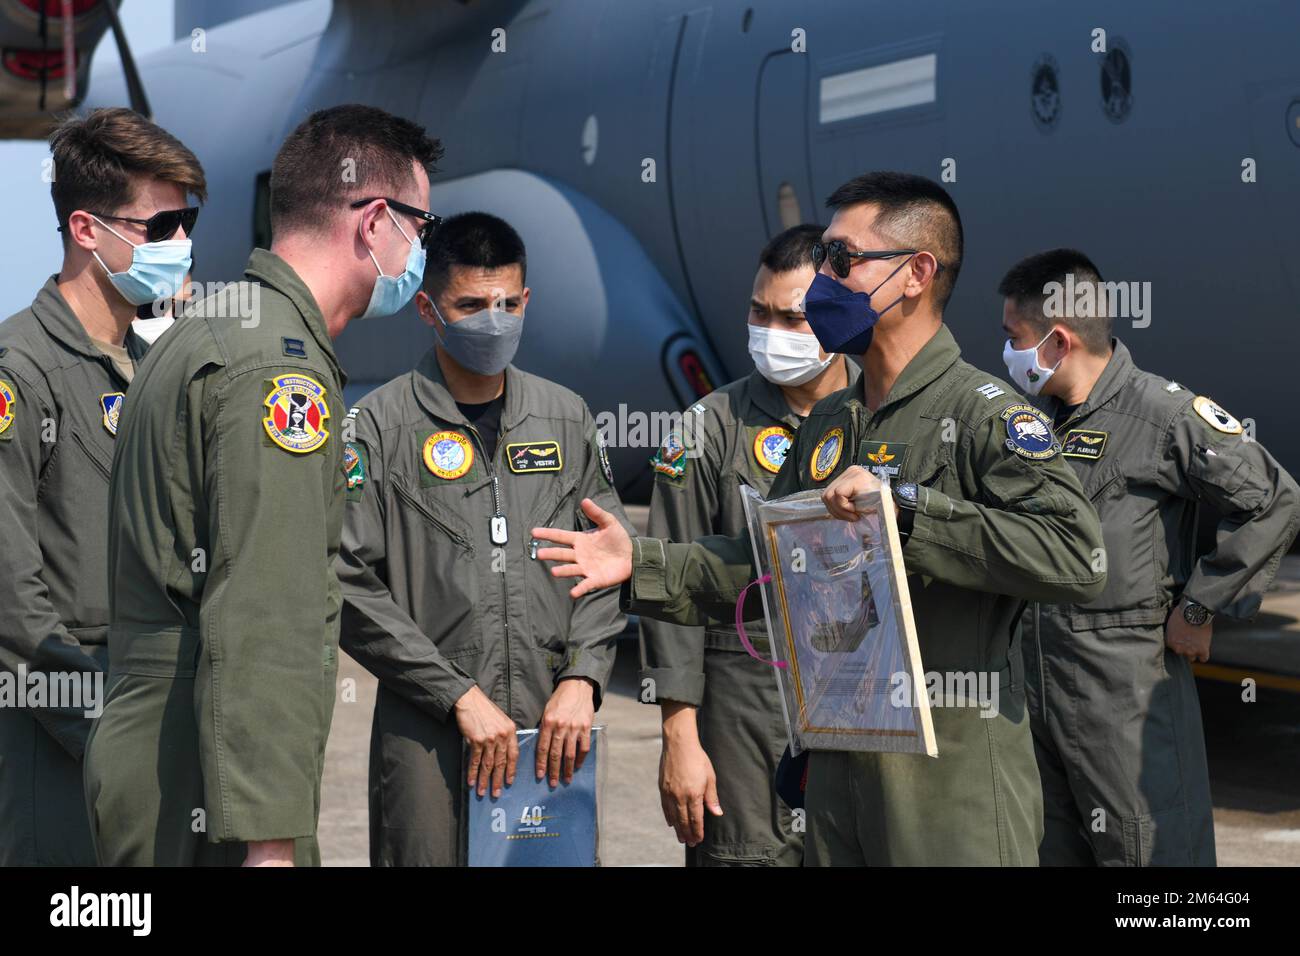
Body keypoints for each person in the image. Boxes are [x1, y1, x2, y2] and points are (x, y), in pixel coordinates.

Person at [534, 171, 1108, 866]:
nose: (820, 287)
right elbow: (770, 562)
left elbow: (1077, 556)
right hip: (839, 777)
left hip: (947, 787)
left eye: (842, 261)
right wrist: (642, 563)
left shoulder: (984, 415)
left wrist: (909, 513)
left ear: (916, 273)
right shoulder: (835, 422)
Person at [83, 104, 444, 867]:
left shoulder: (214, 326)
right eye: (421, 225)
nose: (421, 251)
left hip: (172, 760)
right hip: (210, 789)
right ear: (375, 221)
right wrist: (271, 845)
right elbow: (263, 609)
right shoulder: (278, 368)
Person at [337, 212, 631, 866]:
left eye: (506, 303)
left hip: (548, 726)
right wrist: (456, 695)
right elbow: (346, 580)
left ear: (527, 301)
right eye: (470, 305)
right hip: (428, 733)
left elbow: (609, 561)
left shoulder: (565, 418)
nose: (492, 320)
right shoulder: (380, 428)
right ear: (427, 308)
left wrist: (583, 679)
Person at [997, 248, 1300, 865]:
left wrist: (1199, 607)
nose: (1006, 352)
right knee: (1047, 846)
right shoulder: (1035, 424)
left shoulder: (1162, 414)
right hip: (1036, 682)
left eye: (1014, 337)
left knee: (1152, 855)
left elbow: (1274, 500)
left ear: (1057, 341)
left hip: (1126, 687)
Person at [0, 108, 205, 866]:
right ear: (86, 230)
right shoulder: (19, 369)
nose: (181, 244)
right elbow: (10, 594)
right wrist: (99, 725)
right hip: (61, 725)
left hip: (147, 715)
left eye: (188, 222)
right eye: (161, 227)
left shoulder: (151, 364)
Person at [640, 224, 857, 865]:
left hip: (865, 705)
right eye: (759, 313)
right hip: (745, 714)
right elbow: (669, 589)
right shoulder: (707, 429)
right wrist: (679, 736)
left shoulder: (883, 416)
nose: (771, 331)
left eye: (793, 317)